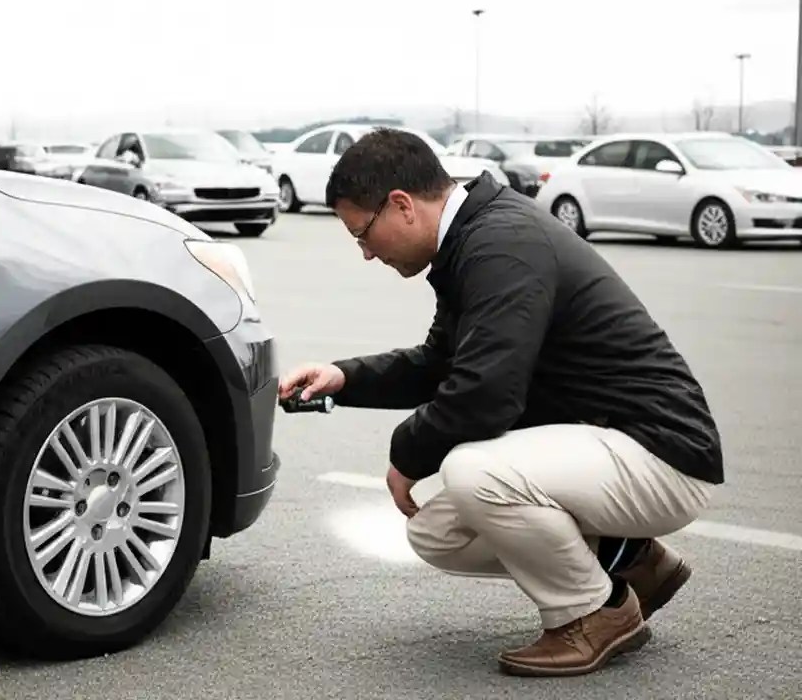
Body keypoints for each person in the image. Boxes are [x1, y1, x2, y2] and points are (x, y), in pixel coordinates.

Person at [279, 129, 723, 677]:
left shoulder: (501, 244)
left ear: (402, 205)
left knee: (472, 471)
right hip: (608, 446)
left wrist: (406, 455)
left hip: (661, 451)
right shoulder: (471, 240)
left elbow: (487, 394)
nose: (367, 253)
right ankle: (631, 560)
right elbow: (441, 363)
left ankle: (598, 613)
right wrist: (343, 378)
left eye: (362, 234)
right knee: (438, 533)